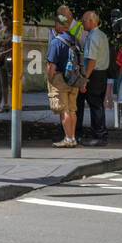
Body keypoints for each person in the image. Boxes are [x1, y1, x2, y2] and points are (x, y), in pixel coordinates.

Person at [46, 11, 82, 147]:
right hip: (73, 79)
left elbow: (51, 65)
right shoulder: (74, 40)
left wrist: (50, 79)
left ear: (60, 25)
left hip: (60, 79)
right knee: (72, 110)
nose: (54, 25)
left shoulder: (56, 42)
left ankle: (68, 138)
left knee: (64, 110)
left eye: (56, 23)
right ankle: (72, 138)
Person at [77, 10, 110, 145]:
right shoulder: (102, 35)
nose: (82, 23)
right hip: (102, 73)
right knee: (97, 105)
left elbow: (91, 60)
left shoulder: (93, 36)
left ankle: (98, 135)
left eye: (84, 20)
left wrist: (85, 79)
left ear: (91, 21)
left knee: (94, 104)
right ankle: (100, 133)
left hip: (94, 74)